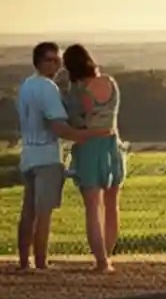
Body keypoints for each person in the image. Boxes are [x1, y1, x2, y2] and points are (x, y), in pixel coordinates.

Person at [15, 42, 113, 271]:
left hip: (28, 154)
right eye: (52, 60)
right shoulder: (48, 88)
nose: (57, 65)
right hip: (47, 156)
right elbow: (59, 126)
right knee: (44, 213)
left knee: (28, 210)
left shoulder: (26, 85)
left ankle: (23, 261)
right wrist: (88, 135)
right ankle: (40, 262)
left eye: (58, 60)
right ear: (39, 61)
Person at [62, 44, 126, 273]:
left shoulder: (79, 92)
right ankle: (108, 255)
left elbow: (78, 121)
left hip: (90, 146)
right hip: (113, 145)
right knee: (112, 205)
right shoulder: (111, 82)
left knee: (92, 207)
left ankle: (101, 261)